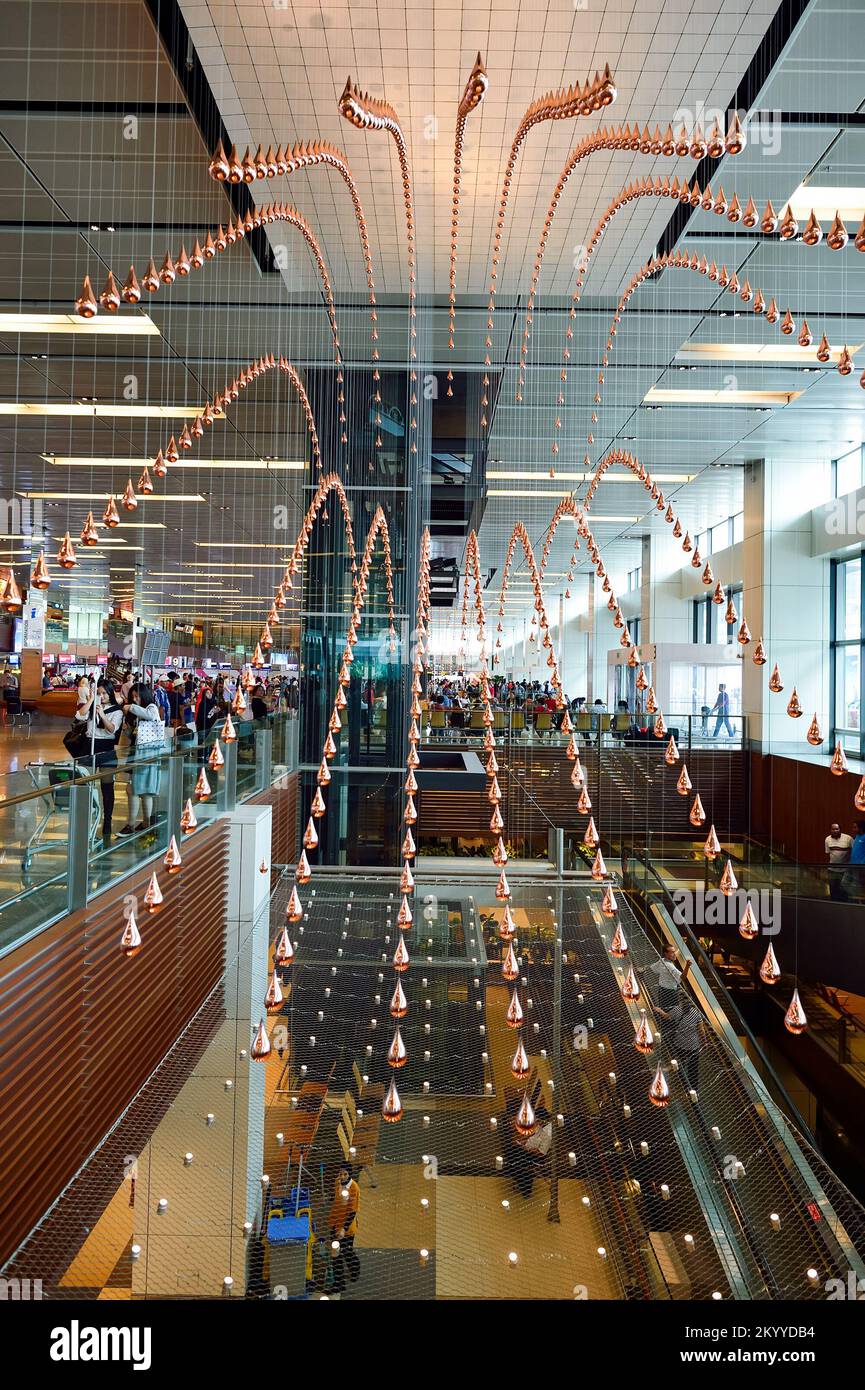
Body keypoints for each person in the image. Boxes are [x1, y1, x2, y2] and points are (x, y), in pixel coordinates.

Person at [67, 679, 124, 845]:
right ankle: (86, 815)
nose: (102, 696)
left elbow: (112, 729)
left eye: (104, 693)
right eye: (99, 693)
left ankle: (107, 819)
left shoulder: (117, 710)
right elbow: (79, 715)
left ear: (110, 693)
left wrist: (102, 714)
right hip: (89, 745)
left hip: (106, 747)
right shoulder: (92, 706)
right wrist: (92, 700)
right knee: (85, 782)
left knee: (107, 785)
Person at [118, 683, 164, 835]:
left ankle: (136, 824)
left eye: (137, 696)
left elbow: (150, 716)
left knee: (140, 790)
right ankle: (144, 824)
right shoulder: (140, 714)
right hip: (138, 754)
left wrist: (130, 707)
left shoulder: (151, 708)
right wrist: (127, 730)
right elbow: (135, 735)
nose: (135, 700)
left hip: (146, 755)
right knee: (137, 789)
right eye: (132, 697)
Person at [328, 1163, 361, 1297]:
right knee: (336, 1255)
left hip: (346, 1228)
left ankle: (355, 1268)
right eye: (340, 1173)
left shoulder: (354, 1189)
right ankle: (339, 1283)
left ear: (350, 1174)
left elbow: (352, 1212)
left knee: (346, 1252)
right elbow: (336, 1198)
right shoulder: (337, 1182)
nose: (342, 1177)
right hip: (334, 1224)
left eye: (345, 1174)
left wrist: (343, 1228)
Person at [660, 998, 704, 1092]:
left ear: (681, 1001)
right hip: (693, 1046)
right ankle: (694, 1090)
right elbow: (701, 1030)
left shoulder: (677, 1009)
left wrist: (659, 1010)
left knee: (680, 1063)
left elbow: (666, 1016)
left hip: (680, 1044)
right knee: (693, 1069)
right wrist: (704, 1041)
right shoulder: (696, 1013)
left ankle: (683, 1084)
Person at [510, 1104, 552, 1199]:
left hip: (536, 1157)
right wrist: (523, 1142)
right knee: (512, 1150)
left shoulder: (548, 1135)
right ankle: (516, 1177)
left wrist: (526, 1149)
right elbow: (532, 1136)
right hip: (528, 1149)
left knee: (519, 1161)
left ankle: (525, 1189)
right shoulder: (540, 1125)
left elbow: (541, 1153)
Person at [642, 944, 683, 1013]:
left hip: (661, 990)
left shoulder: (662, 960)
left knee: (663, 1008)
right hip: (670, 993)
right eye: (672, 952)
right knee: (671, 1011)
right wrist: (687, 966)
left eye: (674, 952)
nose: (674, 954)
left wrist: (643, 969)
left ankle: (663, 1018)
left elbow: (652, 967)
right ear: (666, 954)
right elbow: (682, 977)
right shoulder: (670, 966)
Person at [825, 822, 853, 900]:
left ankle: (843, 904)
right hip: (832, 870)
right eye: (833, 829)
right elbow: (828, 853)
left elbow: (854, 851)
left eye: (836, 829)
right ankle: (834, 904)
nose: (834, 831)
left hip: (845, 870)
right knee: (833, 888)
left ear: (840, 830)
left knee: (844, 889)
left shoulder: (848, 838)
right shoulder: (827, 839)